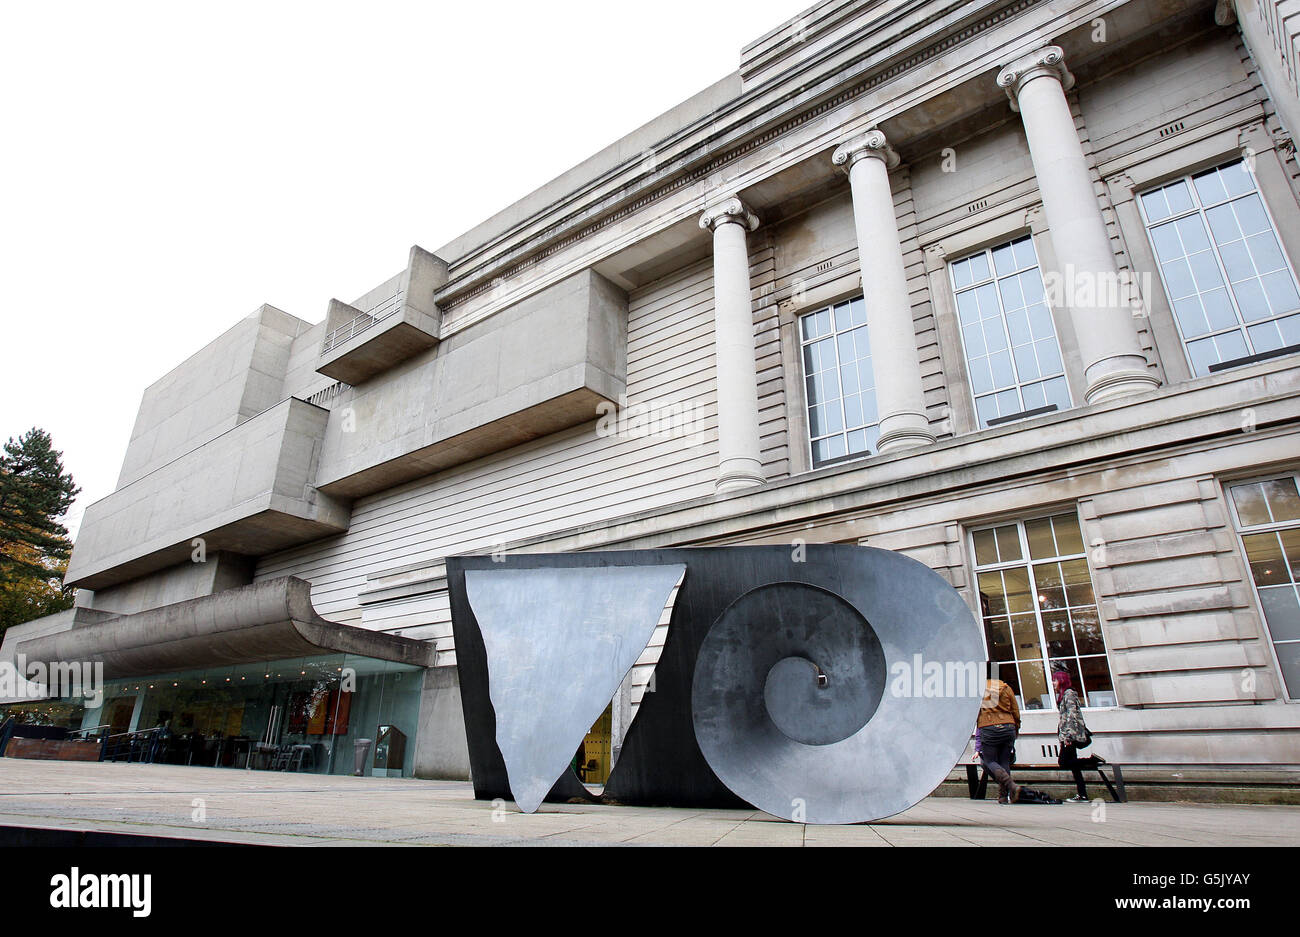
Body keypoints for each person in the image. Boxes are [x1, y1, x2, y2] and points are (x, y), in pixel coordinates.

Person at [1053, 665, 1106, 802]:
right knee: (1073, 765)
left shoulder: (1069, 693)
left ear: (1062, 681)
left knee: (1064, 762)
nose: (1053, 683)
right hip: (1066, 735)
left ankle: (1092, 761)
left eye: (1055, 680)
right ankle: (1082, 794)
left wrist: (1069, 736)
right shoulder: (1064, 694)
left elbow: (1072, 715)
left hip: (1070, 736)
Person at [977, 672, 1022, 804]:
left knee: (989, 761)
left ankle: (1012, 786)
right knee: (1004, 762)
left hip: (989, 727)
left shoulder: (980, 689)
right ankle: (1003, 797)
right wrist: (1016, 728)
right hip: (1008, 727)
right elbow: (1015, 710)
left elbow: (974, 711)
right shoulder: (1006, 688)